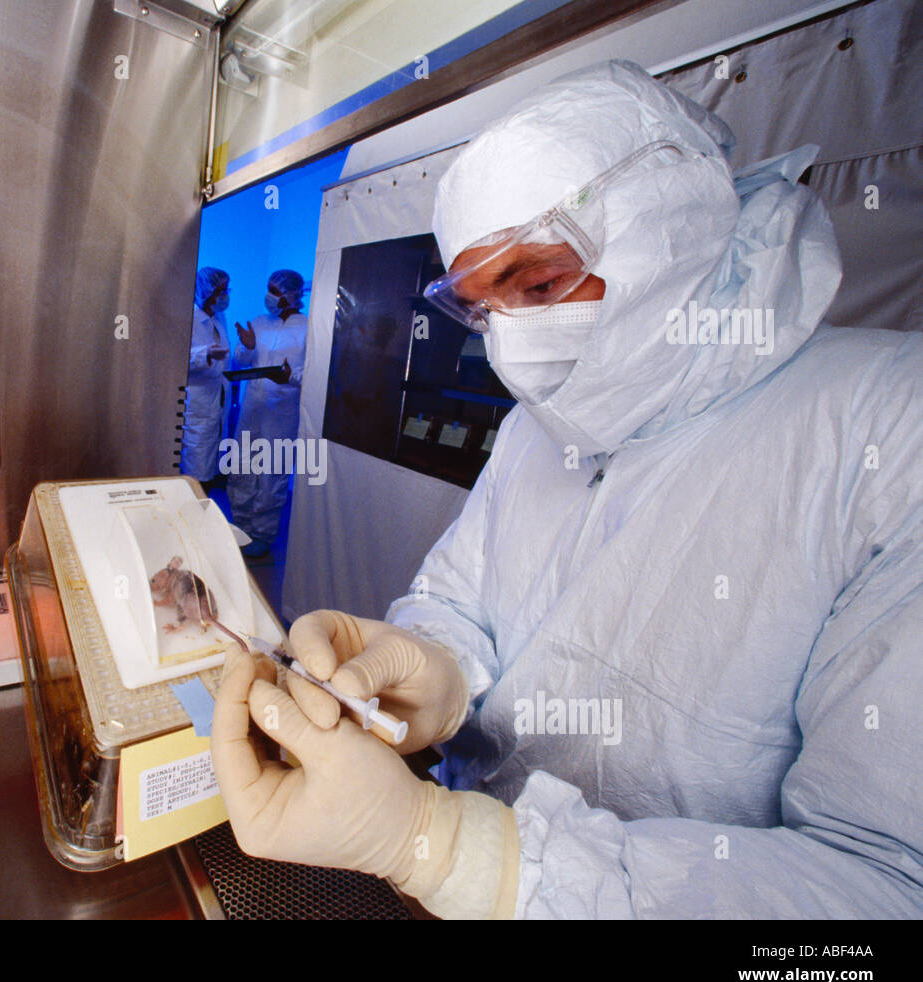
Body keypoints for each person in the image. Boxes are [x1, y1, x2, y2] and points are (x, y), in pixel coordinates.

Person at [211, 59, 923, 918]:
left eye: (538, 284)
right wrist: (431, 670)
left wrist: (473, 859)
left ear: (674, 226)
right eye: (483, 308)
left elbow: (884, 891)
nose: (513, 346)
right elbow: (462, 599)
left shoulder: (888, 428)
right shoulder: (539, 426)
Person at [227, 269, 308, 558]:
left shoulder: (307, 328)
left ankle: (262, 533)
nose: (269, 296)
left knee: (271, 474)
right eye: (269, 288)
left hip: (283, 412)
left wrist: (292, 377)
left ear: (292, 294)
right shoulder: (260, 323)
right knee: (242, 467)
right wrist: (247, 347)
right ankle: (240, 526)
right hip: (253, 408)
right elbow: (241, 359)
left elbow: (311, 372)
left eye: (275, 290)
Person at [180, 267, 232, 487]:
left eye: (227, 289)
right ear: (204, 291)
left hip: (217, 403)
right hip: (197, 405)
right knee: (195, 471)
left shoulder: (220, 320)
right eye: (220, 290)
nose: (225, 296)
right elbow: (174, 358)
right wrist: (205, 355)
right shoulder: (188, 318)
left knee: (209, 466)